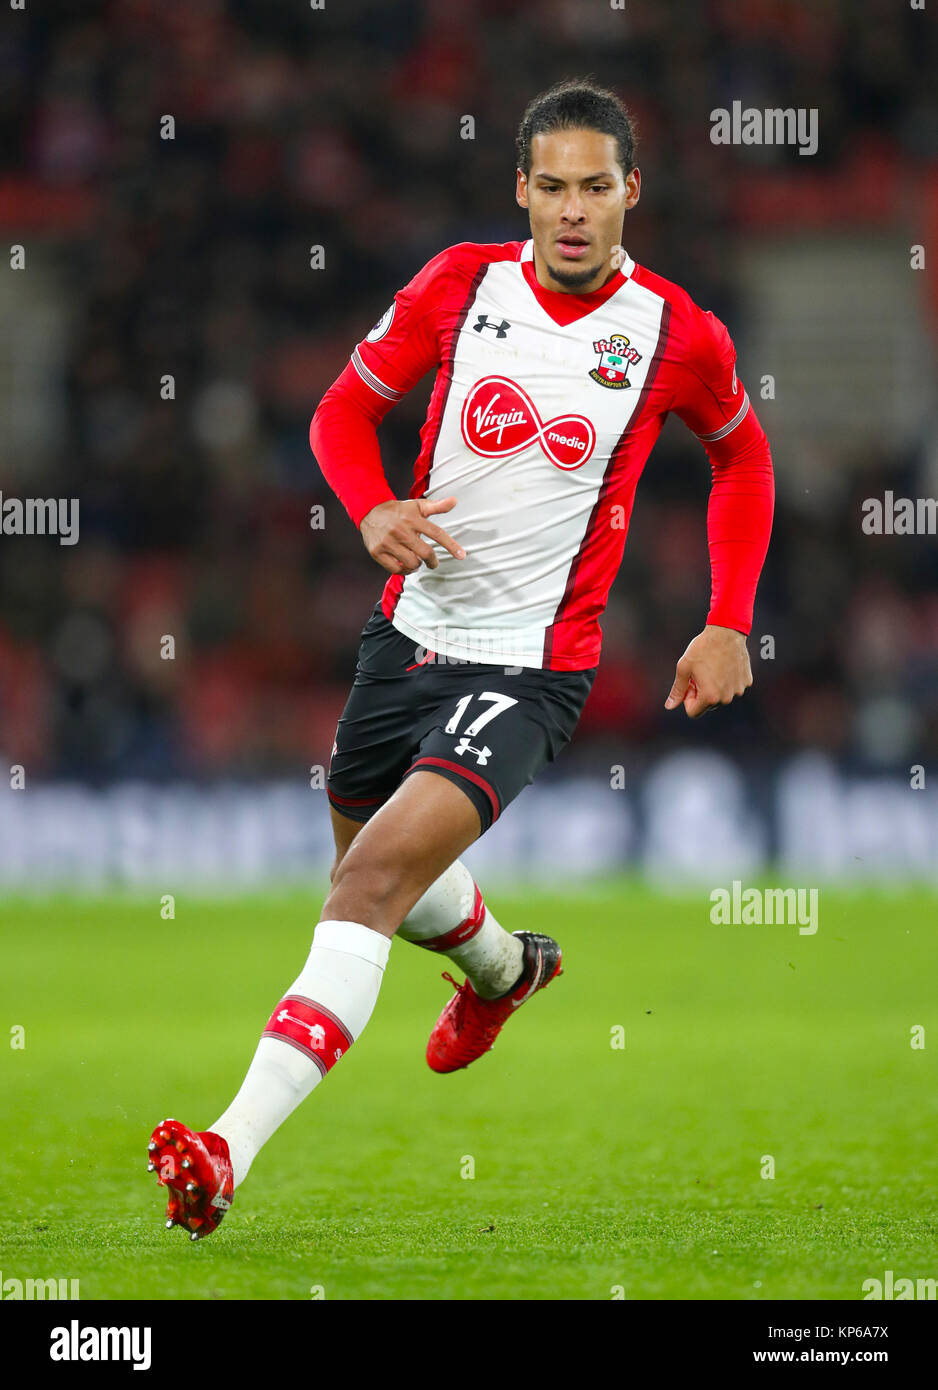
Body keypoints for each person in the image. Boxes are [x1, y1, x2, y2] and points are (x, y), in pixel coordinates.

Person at [147, 77, 774, 1238]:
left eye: (596, 188)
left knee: (366, 884)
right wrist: (372, 507)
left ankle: (223, 1151)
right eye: (552, 188)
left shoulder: (676, 334)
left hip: (531, 667)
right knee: (371, 855)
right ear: (520, 191)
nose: (574, 211)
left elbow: (741, 458)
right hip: (406, 640)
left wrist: (727, 614)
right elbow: (339, 414)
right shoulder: (458, 286)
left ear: (630, 191)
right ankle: (504, 970)